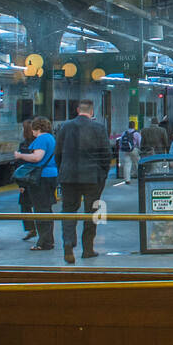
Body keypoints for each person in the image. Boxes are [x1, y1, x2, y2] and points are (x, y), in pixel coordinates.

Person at [55, 100, 112, 264]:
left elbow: (57, 153)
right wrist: (102, 174)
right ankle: (88, 249)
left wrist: (63, 170)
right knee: (91, 213)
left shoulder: (65, 127)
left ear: (77, 110)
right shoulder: (99, 128)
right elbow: (106, 155)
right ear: (92, 112)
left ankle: (68, 245)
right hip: (92, 177)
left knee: (68, 211)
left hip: (69, 177)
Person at [14, 117, 58, 251]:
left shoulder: (41, 139)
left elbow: (37, 157)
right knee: (46, 209)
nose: (32, 131)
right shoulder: (51, 138)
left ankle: (44, 242)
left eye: (33, 129)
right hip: (51, 175)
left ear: (37, 129)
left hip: (41, 177)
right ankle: (48, 240)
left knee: (40, 209)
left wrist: (20, 155)